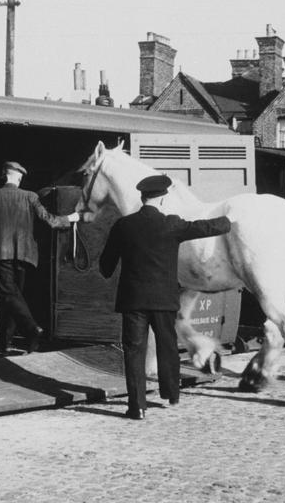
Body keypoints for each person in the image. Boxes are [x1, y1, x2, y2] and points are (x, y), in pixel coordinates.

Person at [99, 174, 232, 420]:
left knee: (134, 351)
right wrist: (229, 220)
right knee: (167, 346)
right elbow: (203, 227)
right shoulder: (171, 224)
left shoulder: (123, 225)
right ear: (162, 200)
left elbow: (105, 266)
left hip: (133, 301)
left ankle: (137, 406)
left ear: (142, 198)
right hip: (163, 301)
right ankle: (171, 393)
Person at [0, 161, 80, 354]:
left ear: (4, 175)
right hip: (26, 254)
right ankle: (6, 342)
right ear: (19, 178)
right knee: (15, 297)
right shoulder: (30, 196)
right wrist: (70, 218)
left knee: (10, 297)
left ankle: (32, 329)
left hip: (1, 254)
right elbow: (49, 221)